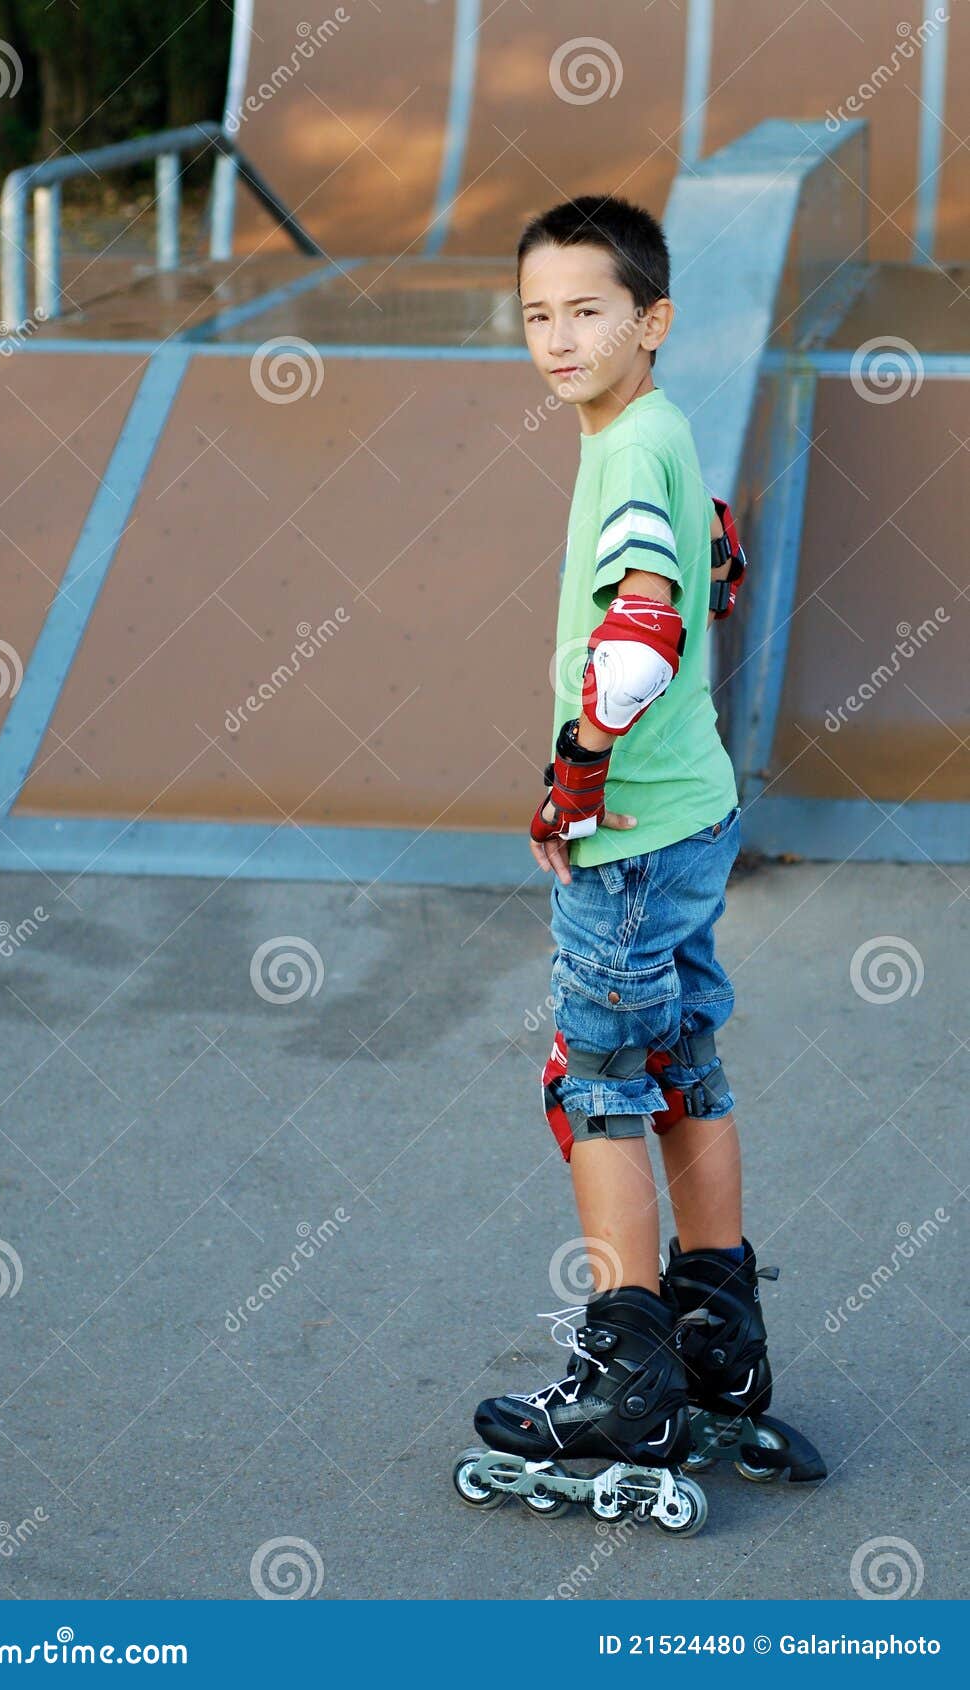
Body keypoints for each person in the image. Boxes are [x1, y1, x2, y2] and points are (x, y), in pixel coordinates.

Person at [472, 194, 792, 1485]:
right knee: (683, 1059)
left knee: (593, 1076)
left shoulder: (622, 449)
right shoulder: (653, 428)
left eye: (587, 312)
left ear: (651, 320)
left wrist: (575, 775)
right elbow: (708, 546)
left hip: (633, 831)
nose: (558, 339)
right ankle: (719, 1341)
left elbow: (643, 627)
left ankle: (627, 1378)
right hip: (695, 812)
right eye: (536, 315)